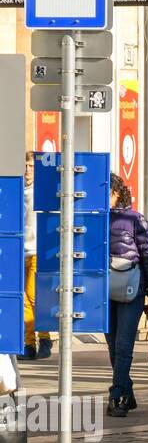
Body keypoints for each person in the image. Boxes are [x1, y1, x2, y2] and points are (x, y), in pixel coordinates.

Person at [106, 174, 148, 418]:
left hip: (132, 289)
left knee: (123, 344)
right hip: (105, 291)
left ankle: (117, 395)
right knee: (112, 345)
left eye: (109, 191)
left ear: (118, 193)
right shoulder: (95, 219)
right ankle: (127, 391)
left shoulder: (135, 219)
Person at [20, 152, 52, 361]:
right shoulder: (16, 191)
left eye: (31, 166)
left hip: (37, 251)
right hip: (19, 251)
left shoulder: (41, 192)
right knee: (24, 298)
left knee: (34, 297)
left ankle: (41, 340)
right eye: (25, 166)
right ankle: (31, 343)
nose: (28, 170)